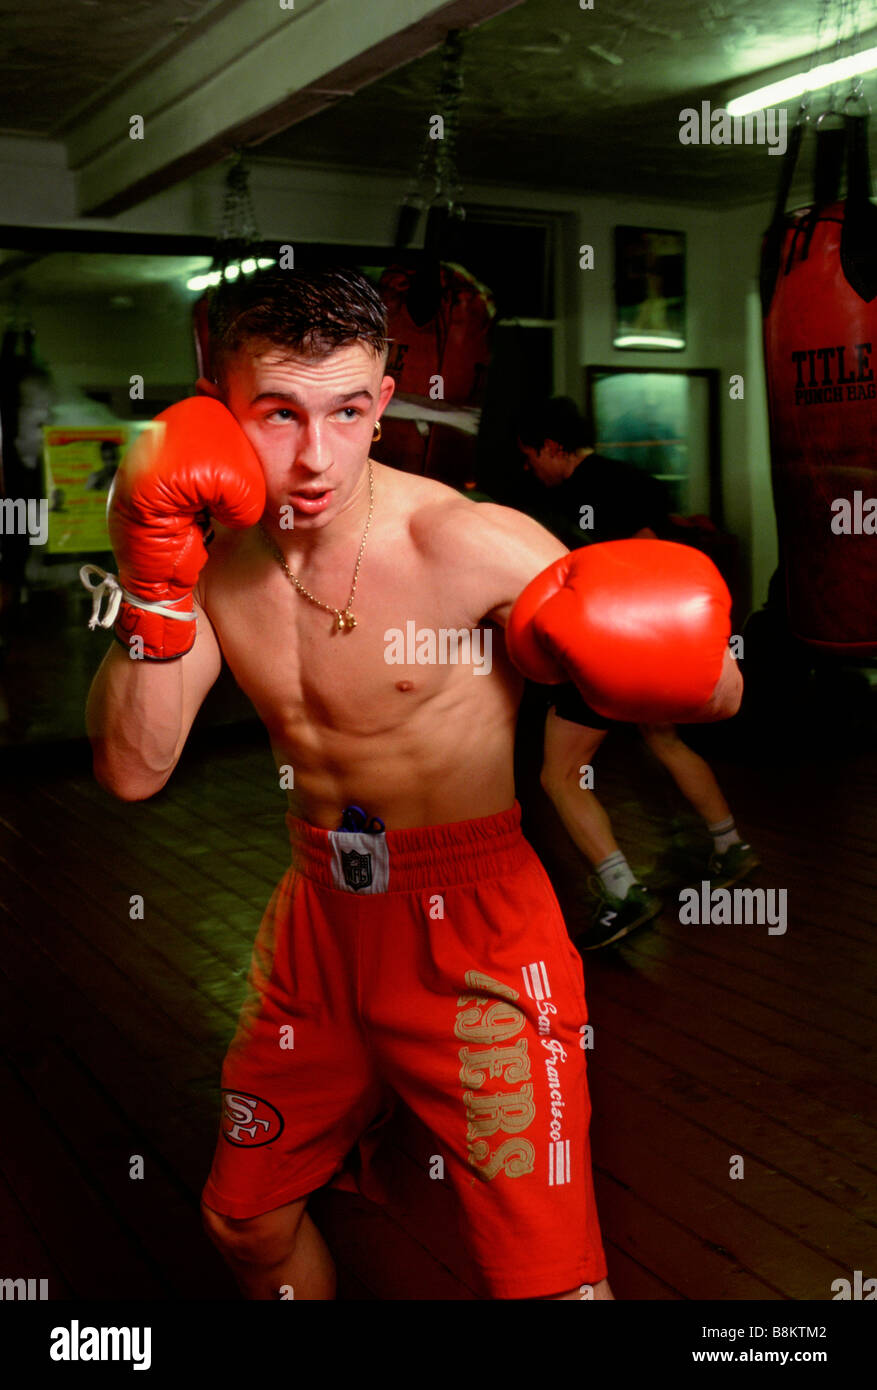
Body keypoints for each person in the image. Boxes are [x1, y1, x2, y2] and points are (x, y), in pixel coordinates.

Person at [82, 268, 740, 1302]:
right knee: (244, 1222)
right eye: (278, 413)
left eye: (347, 411)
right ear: (216, 406)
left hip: (478, 930)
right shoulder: (209, 560)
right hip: (317, 925)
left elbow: (715, 684)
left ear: (383, 403)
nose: (314, 455)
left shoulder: (469, 543)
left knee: (551, 1285)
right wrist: (155, 591)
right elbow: (132, 768)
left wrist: (665, 651)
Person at [515, 396, 758, 950]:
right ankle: (730, 844)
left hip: (616, 639)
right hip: (671, 635)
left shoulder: (578, 494)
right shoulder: (631, 477)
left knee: (560, 774)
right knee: (665, 739)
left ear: (554, 448)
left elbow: (634, 559)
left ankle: (622, 889)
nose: (530, 469)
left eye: (531, 456)